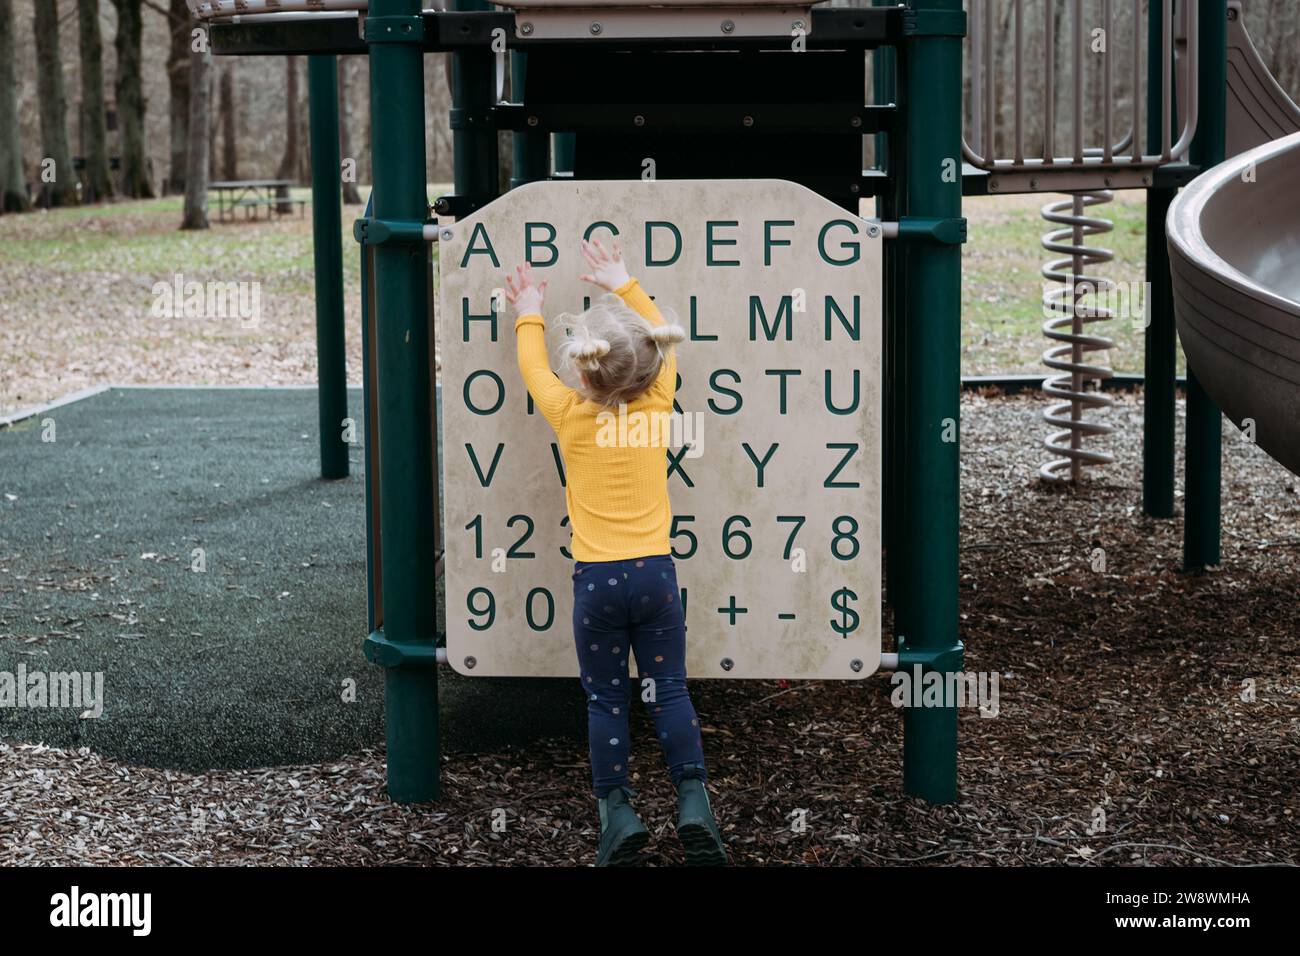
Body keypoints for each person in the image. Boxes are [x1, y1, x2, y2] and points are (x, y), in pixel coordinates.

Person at [502, 238, 726, 866]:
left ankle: (618, 813)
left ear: (581, 367)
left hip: (596, 584)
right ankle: (692, 802)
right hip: (655, 577)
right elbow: (659, 331)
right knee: (671, 689)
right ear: (654, 369)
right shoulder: (658, 405)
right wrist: (625, 281)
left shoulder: (569, 413)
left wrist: (528, 306)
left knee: (606, 699)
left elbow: (530, 369)